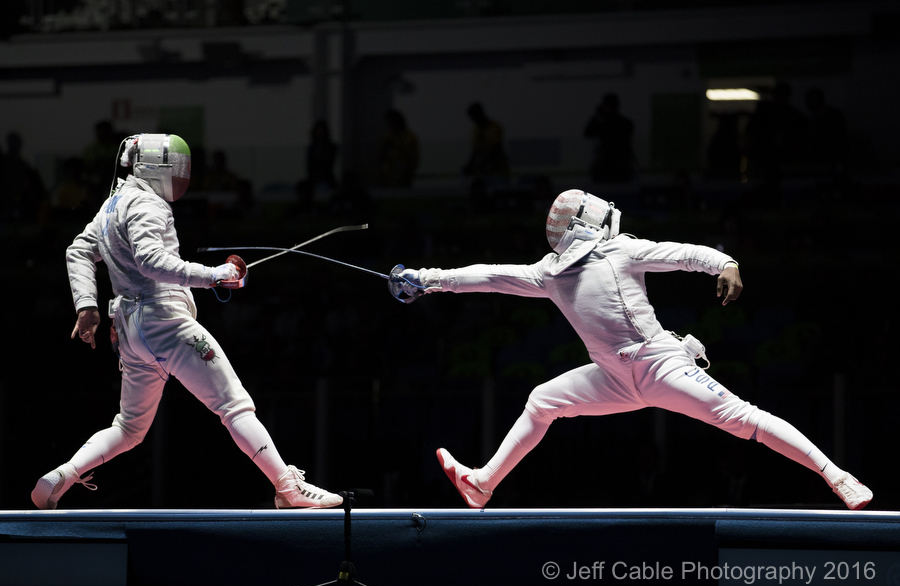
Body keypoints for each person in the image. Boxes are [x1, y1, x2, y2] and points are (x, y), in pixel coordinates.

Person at [397, 189, 873, 511]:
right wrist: (428, 280)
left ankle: (838, 477)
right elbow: (490, 276)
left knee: (744, 419)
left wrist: (724, 263)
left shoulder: (621, 250)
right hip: (609, 376)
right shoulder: (548, 272)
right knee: (543, 400)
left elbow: (683, 252)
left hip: (660, 363)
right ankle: (482, 486)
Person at [31, 133, 342, 510]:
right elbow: (150, 261)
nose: (181, 176)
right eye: (175, 168)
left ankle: (62, 475)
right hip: (165, 321)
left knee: (129, 428)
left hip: (131, 330)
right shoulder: (147, 203)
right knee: (234, 406)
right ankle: (286, 486)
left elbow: (79, 249)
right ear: (151, 166)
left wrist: (87, 305)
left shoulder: (112, 206)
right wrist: (213, 275)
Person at [583, 93, 635, 183]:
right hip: (607, 166)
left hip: (619, 165)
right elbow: (588, 133)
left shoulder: (623, 123)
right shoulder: (623, 123)